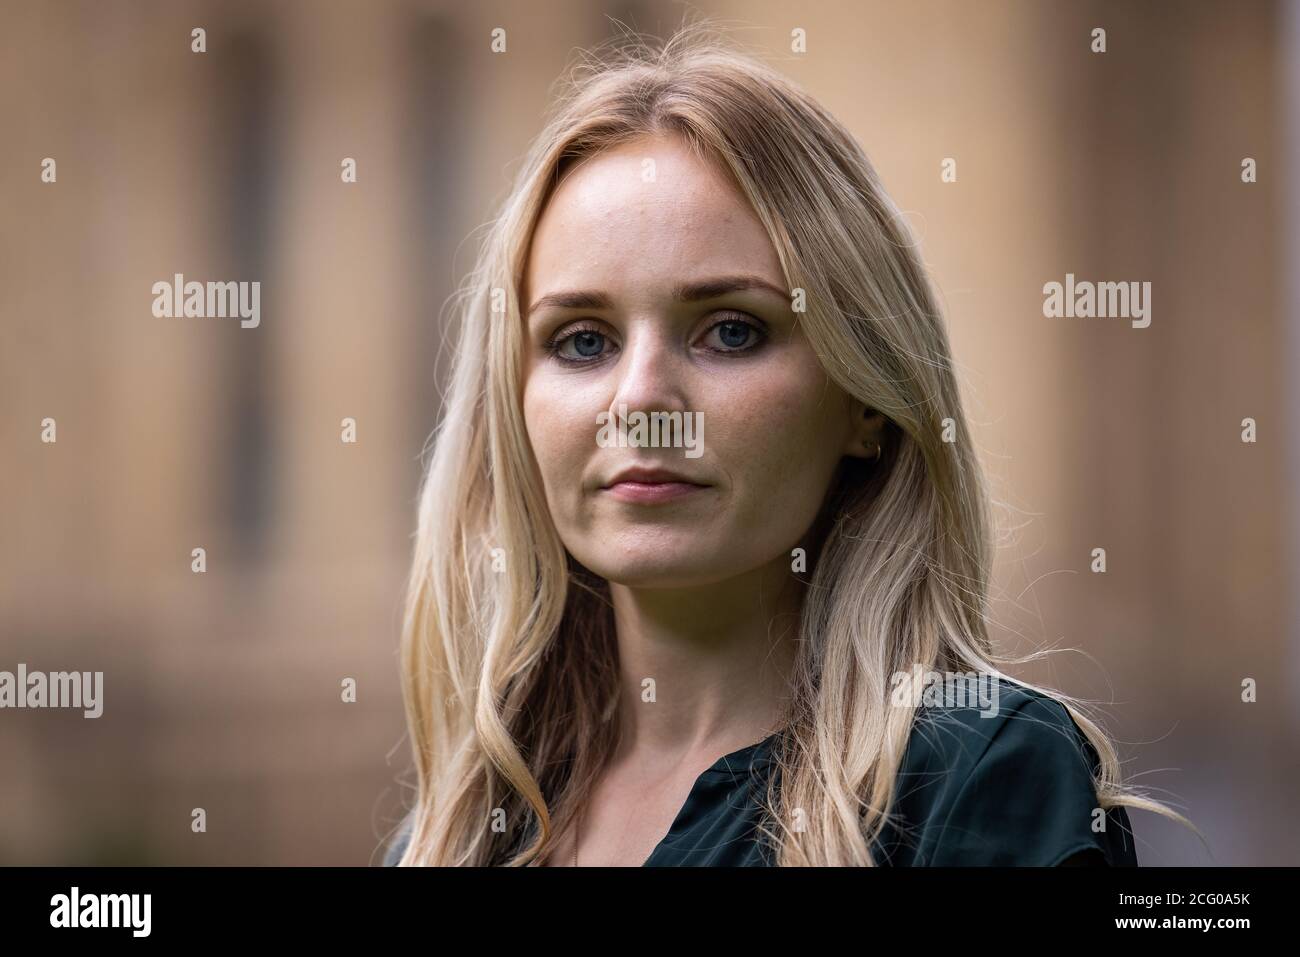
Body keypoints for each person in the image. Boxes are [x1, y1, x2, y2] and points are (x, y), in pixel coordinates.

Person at [384, 22, 1194, 867]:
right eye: (582, 341)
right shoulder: (453, 835)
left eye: (731, 330)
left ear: (863, 401)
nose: (641, 399)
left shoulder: (976, 783)